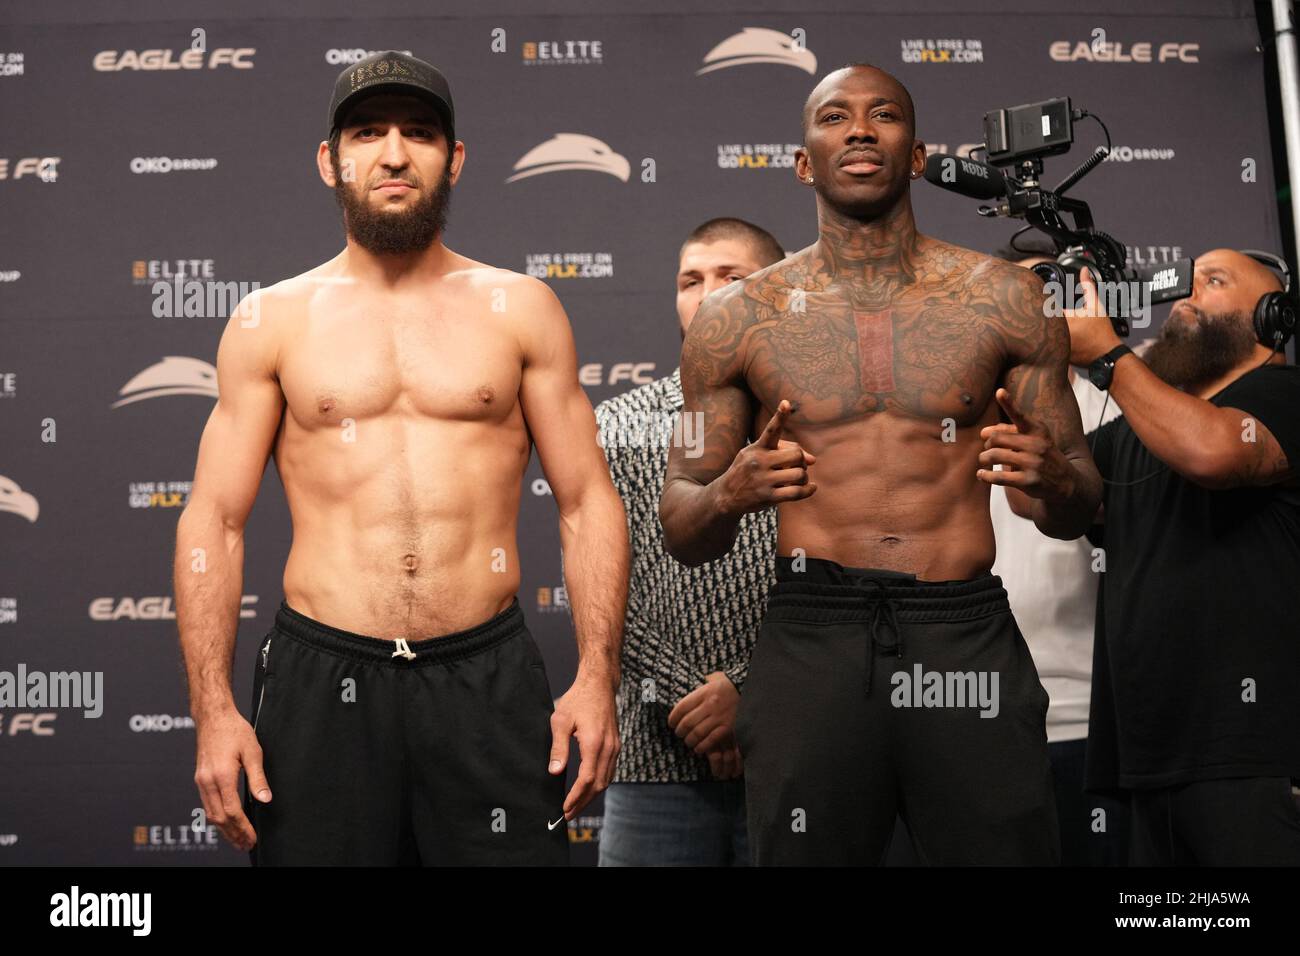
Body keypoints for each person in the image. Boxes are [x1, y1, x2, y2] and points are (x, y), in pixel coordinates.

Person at [174, 51, 628, 866]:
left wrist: (597, 678)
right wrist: (213, 708)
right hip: (322, 682)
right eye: (367, 132)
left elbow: (586, 499)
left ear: (453, 159)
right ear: (330, 160)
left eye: (419, 133)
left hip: (483, 677)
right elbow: (215, 519)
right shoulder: (269, 320)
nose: (393, 153)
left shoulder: (521, 309)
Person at [659, 63, 1101, 865]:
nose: (860, 129)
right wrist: (731, 491)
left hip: (962, 629)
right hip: (812, 641)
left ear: (919, 153)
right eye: (835, 117)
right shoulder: (733, 321)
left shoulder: (1005, 298)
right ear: (803, 161)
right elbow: (682, 525)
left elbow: (1078, 504)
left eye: (883, 114)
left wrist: (1056, 478)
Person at [1060, 248, 1300, 865]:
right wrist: (1038, 362)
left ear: (1273, 319)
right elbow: (1056, 500)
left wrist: (1111, 357)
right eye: (1187, 285)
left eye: (1214, 282)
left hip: (1257, 753)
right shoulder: (1137, 429)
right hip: (1150, 756)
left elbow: (1215, 454)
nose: (1185, 299)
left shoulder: (1286, 393)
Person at [595, 218, 785, 866]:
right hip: (656, 757)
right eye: (691, 280)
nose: (708, 294)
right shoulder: (617, 423)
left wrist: (751, 692)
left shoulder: (826, 418)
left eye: (734, 278)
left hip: (801, 754)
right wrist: (692, 703)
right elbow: (606, 587)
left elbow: (849, 575)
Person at [987, 242, 1130, 866]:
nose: (1032, 311)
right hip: (973, 725)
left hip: (1092, 724)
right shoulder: (938, 419)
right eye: (1012, 296)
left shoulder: (1126, 413)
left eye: (1047, 291)